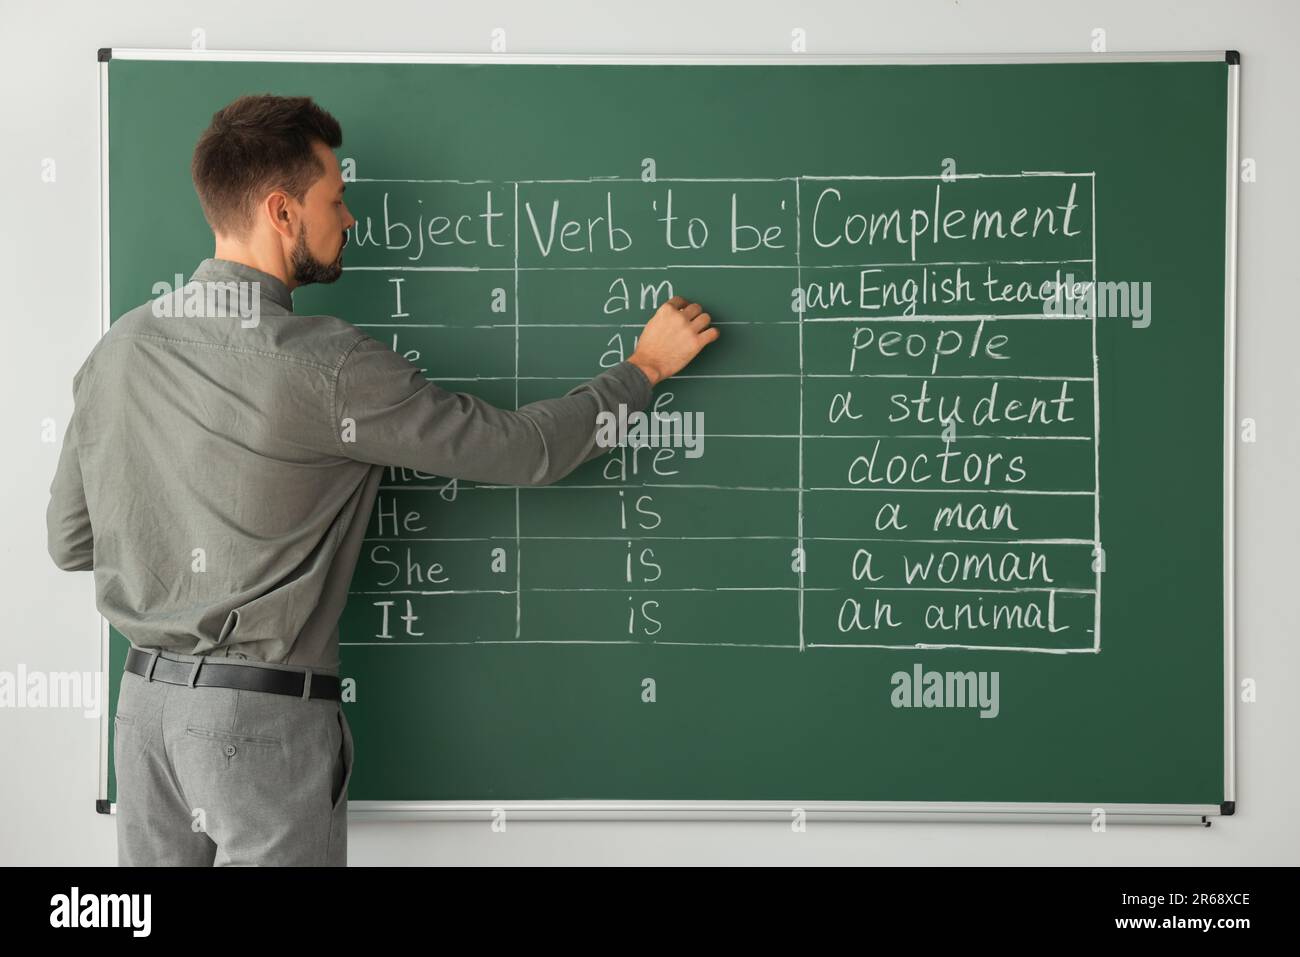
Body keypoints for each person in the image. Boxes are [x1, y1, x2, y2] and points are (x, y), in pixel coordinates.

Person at [45, 94, 718, 866]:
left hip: (143, 714)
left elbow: (70, 542)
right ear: (282, 210)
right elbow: (524, 450)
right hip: (256, 724)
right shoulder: (329, 367)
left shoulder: (120, 348)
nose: (352, 219)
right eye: (336, 198)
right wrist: (645, 369)